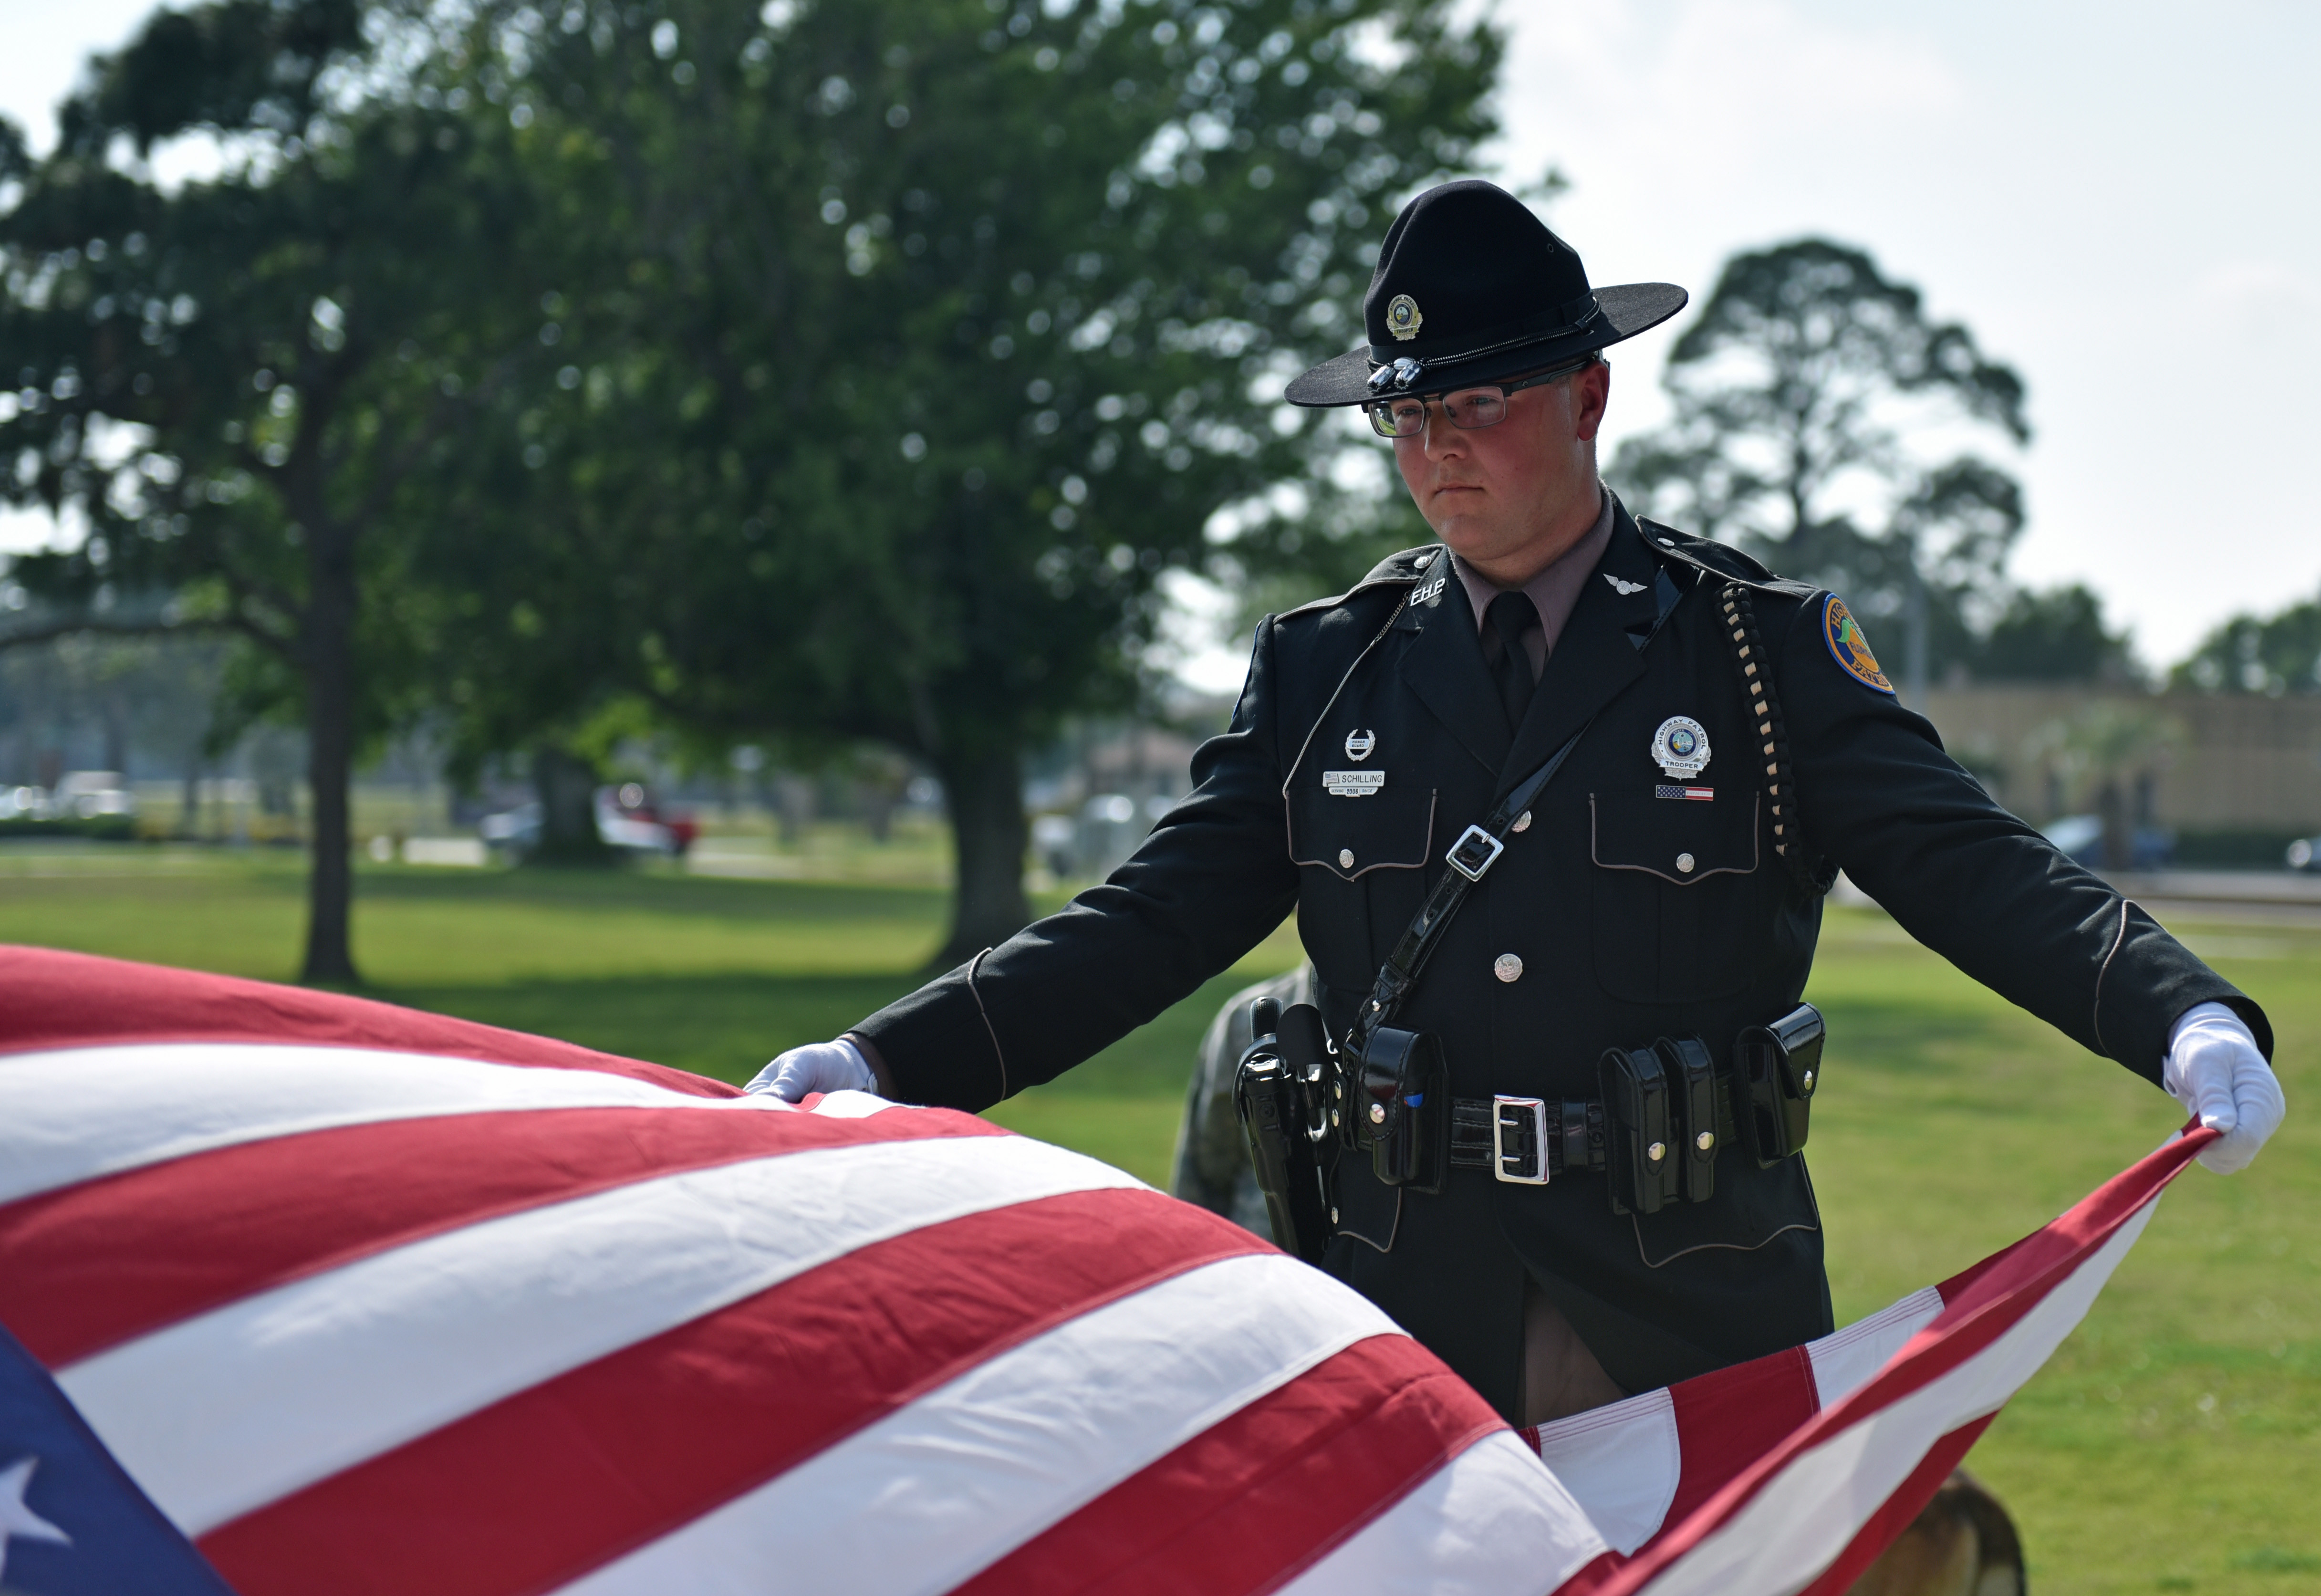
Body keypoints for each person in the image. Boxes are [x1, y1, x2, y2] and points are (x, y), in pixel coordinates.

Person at [750, 180, 2285, 1427]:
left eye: (1473, 404)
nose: (1434, 452)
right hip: (1406, 1309)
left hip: (1687, 1299)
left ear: (1586, 394)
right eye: (1402, 417)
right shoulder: (1327, 671)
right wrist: (888, 1058)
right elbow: (1146, 920)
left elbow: (1968, 864)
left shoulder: (1751, 657)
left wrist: (2181, 1015)